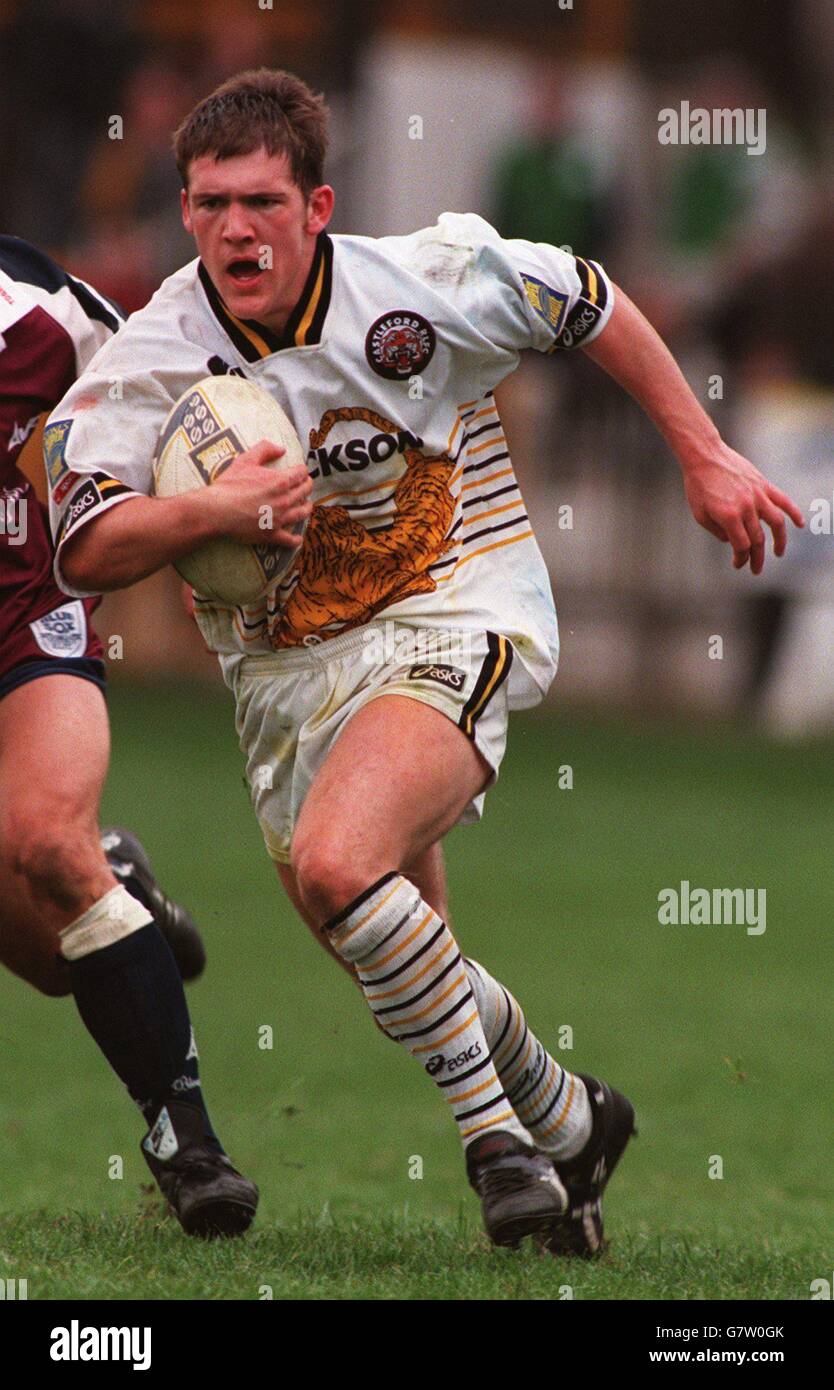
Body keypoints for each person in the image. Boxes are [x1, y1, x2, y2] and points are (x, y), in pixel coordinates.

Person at [47, 70, 803, 1255]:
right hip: (285, 676)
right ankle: (572, 1117)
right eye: (207, 204)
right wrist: (216, 512)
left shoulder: (420, 285)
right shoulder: (153, 358)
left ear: (317, 205)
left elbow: (589, 295)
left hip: (457, 608)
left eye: (260, 201)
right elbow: (86, 544)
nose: (234, 228)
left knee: (346, 865)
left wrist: (705, 456)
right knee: (373, 929)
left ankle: (495, 1140)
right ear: (185, 211)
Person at [0, 235, 257, 1238]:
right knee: (58, 953)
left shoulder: (43, 314)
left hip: (25, 621)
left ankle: (187, 1147)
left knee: (48, 845)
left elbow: (186, 388)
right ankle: (126, 888)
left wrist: (211, 529)